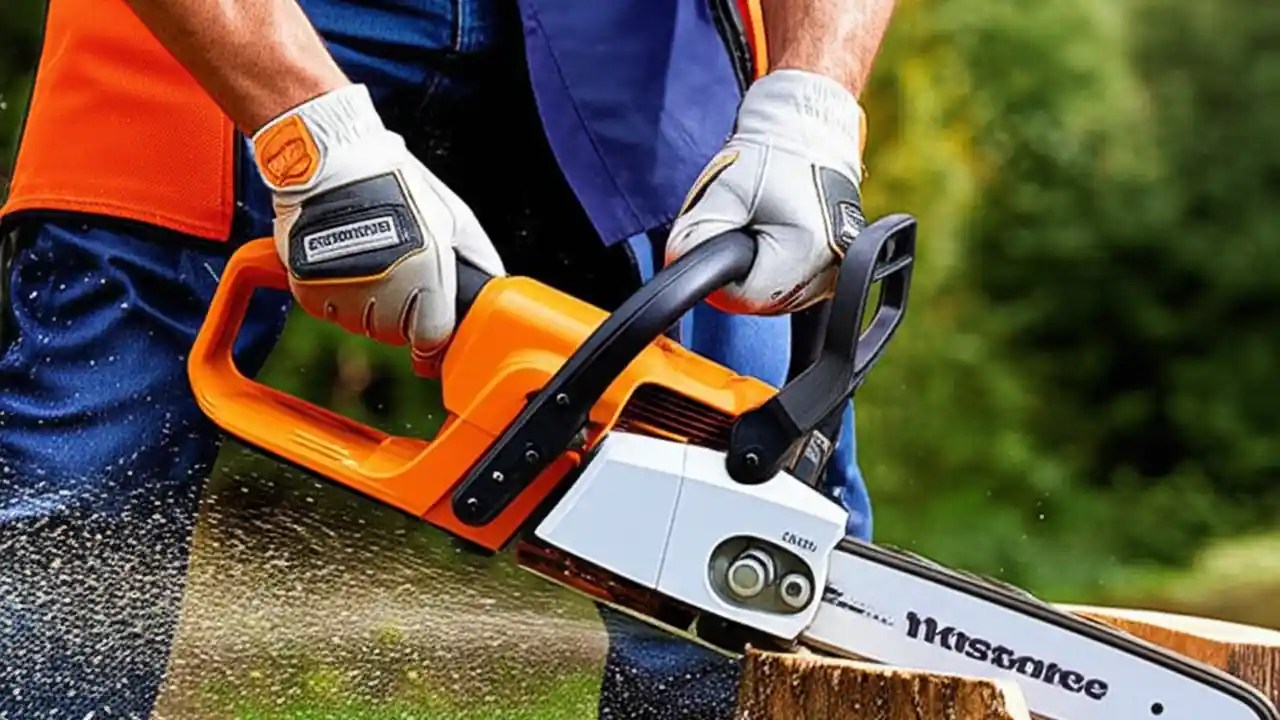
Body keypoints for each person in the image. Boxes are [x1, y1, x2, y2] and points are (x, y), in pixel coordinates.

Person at [0, 0, 895, 717]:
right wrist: (303, 129)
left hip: (639, 39)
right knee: (76, 510)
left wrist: (813, 97)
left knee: (750, 548)